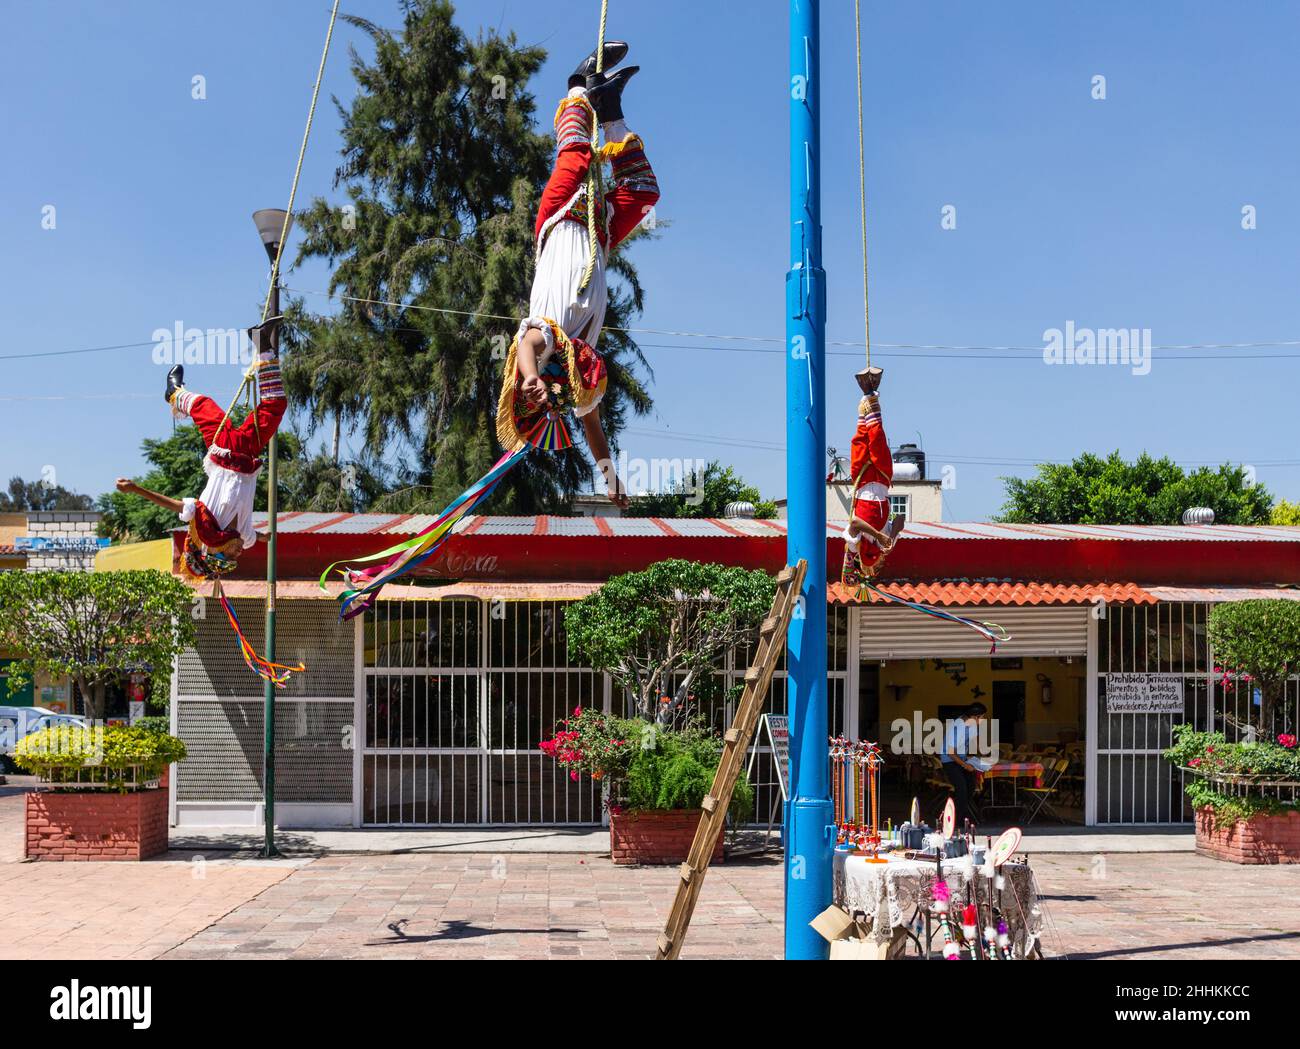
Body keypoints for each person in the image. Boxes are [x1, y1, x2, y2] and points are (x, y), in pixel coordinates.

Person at [497, 41, 660, 507]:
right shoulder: (578, 369)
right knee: (644, 192)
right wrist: (612, 482)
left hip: (564, 216)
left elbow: (525, 343)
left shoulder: (548, 343)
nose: (547, 395)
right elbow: (594, 429)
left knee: (577, 155)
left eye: (536, 396)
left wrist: (529, 376)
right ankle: (610, 110)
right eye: (549, 401)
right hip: (599, 232)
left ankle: (576, 83)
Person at [116, 318, 285, 580]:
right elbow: (256, 537)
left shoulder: (203, 524)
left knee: (204, 405)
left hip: (224, 449)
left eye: (230, 556)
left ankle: (173, 393)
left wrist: (136, 488)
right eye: (236, 557)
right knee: (276, 407)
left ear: (212, 550)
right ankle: (263, 344)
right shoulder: (244, 535)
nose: (238, 553)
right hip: (249, 454)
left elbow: (172, 504)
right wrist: (265, 537)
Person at [841, 367, 906, 588]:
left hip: (863, 484)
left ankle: (865, 395)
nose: (880, 564)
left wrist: (878, 536)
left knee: (860, 440)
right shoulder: (886, 543)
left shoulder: (855, 547)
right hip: (882, 481)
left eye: (876, 567)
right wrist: (892, 536)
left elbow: (855, 523)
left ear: (866, 564)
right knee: (877, 440)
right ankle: (871, 395)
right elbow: (900, 520)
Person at [941, 702, 992, 824]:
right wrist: (966, 766)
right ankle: (955, 822)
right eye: (983, 716)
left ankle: (956, 812)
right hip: (950, 761)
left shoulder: (972, 724)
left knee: (971, 786)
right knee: (962, 789)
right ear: (975, 717)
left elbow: (976, 739)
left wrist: (985, 756)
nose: (983, 719)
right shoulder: (958, 727)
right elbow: (951, 753)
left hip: (962, 759)